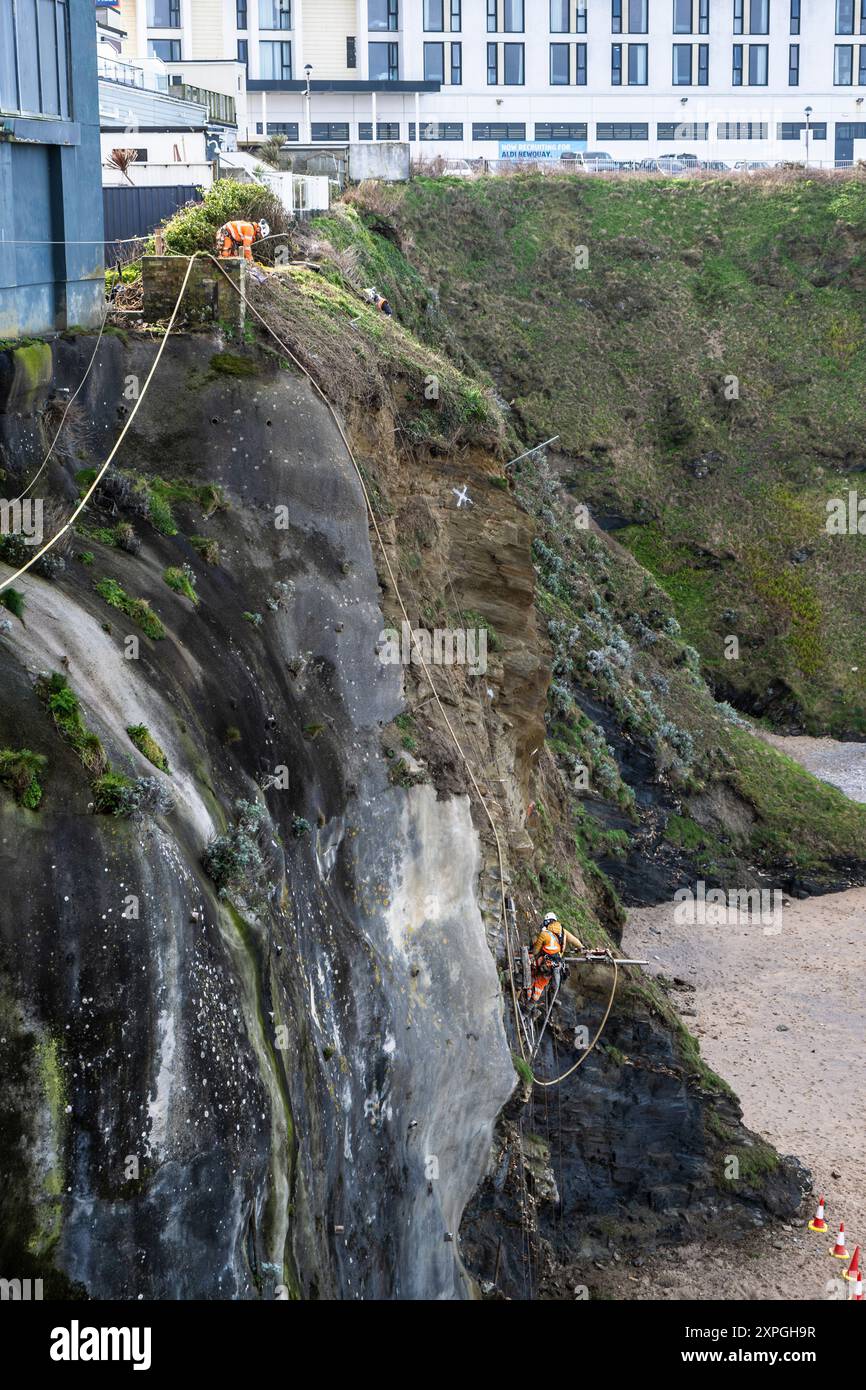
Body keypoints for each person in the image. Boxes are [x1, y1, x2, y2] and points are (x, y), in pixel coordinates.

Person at [525, 910, 584, 1010]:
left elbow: (535, 950)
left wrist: (532, 954)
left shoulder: (545, 933)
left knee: (533, 978)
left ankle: (527, 1000)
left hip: (544, 962)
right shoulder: (563, 931)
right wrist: (581, 947)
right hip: (556, 964)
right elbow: (575, 941)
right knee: (546, 984)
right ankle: (546, 1001)